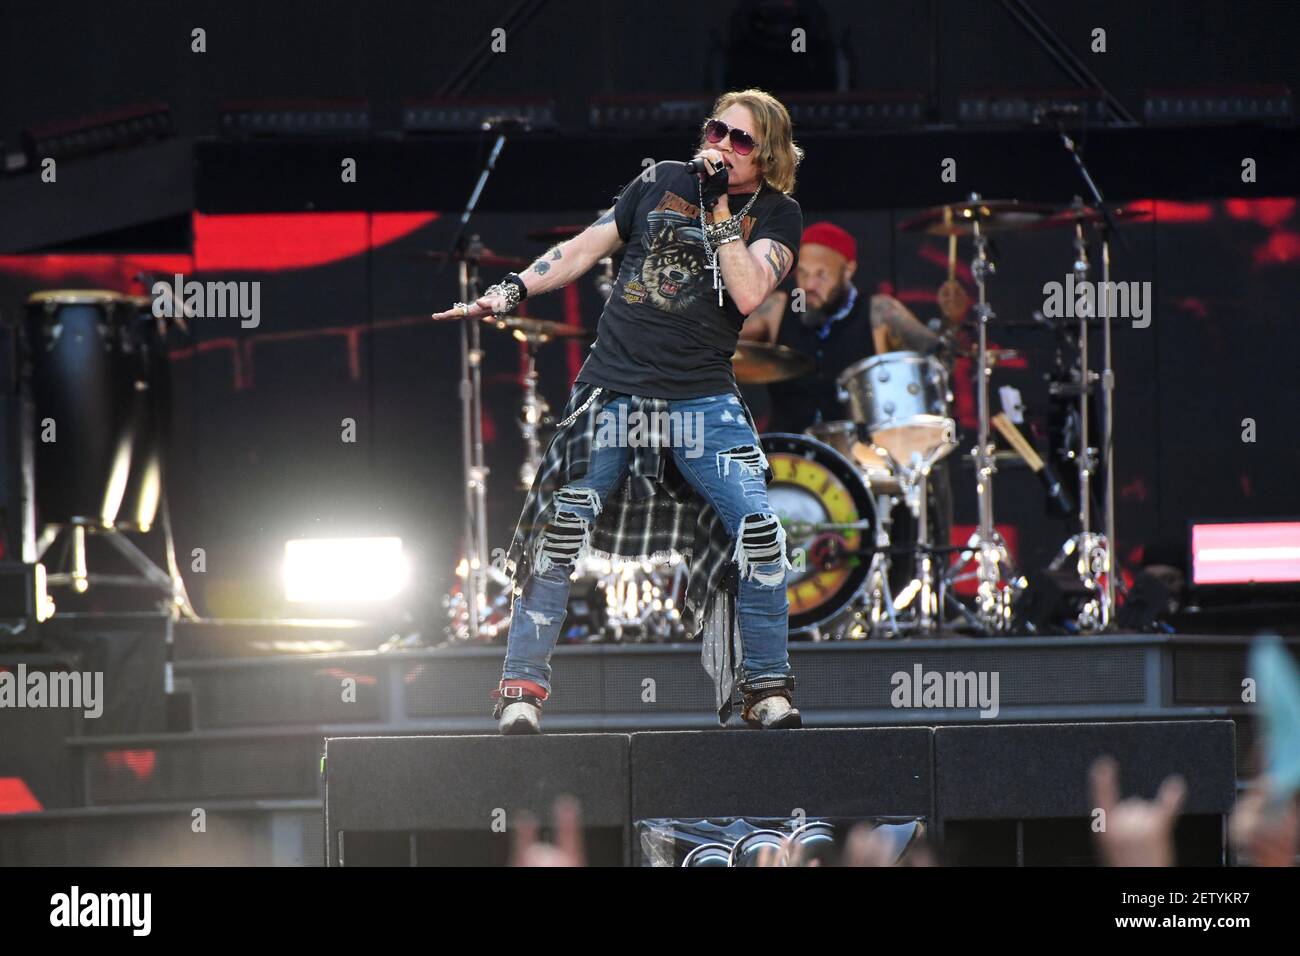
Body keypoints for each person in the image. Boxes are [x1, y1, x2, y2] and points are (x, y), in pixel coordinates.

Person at [433, 89, 806, 733]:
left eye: (740, 140)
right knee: (562, 524)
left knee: (760, 530)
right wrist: (510, 289)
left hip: (701, 398)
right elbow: (583, 248)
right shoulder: (659, 180)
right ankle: (521, 690)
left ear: (766, 159)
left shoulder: (777, 214)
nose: (721, 144)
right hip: (617, 391)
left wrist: (718, 209)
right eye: (717, 129)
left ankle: (765, 688)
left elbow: (746, 293)